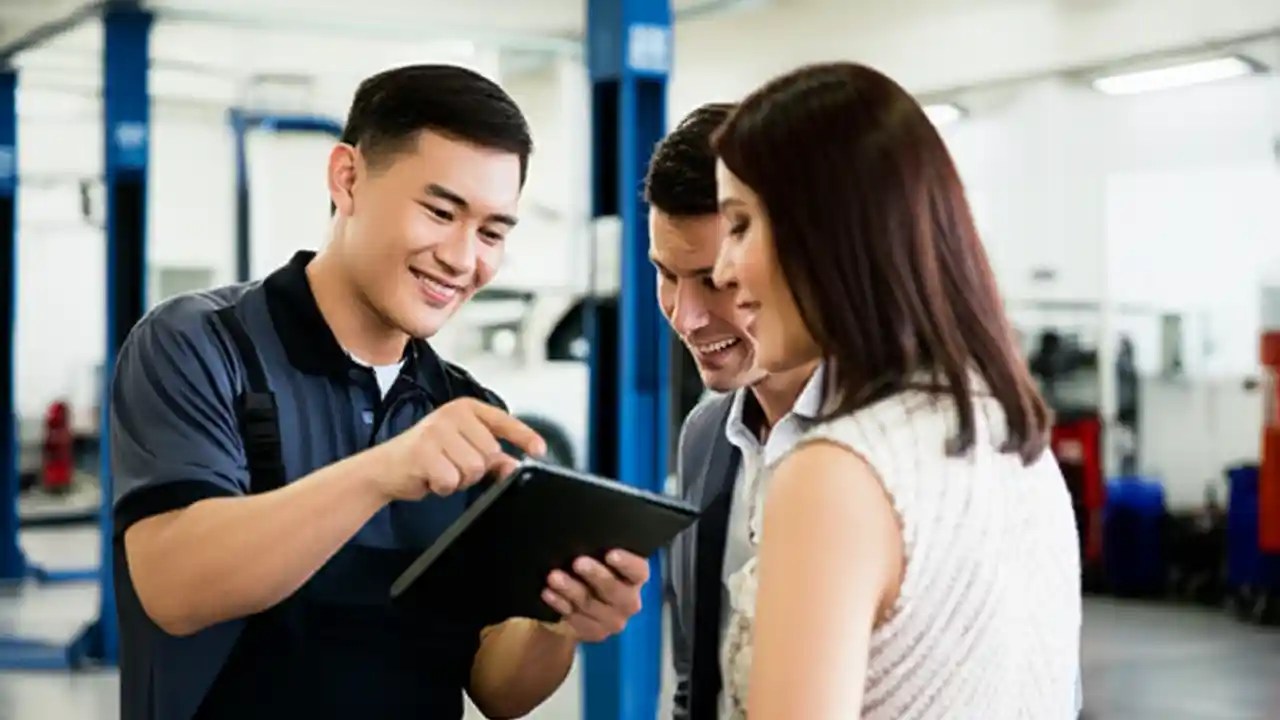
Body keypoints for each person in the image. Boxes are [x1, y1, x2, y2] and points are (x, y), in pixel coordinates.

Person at [110, 64, 648, 720]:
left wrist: (558, 620)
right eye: (440, 211)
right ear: (348, 179)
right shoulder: (197, 344)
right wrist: (384, 472)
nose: (461, 256)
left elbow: (498, 688)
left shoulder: (466, 412)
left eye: (492, 232)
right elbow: (173, 584)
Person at [709, 62, 1083, 718]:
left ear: (821, 228)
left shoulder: (838, 475)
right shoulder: (1015, 442)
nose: (722, 268)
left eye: (739, 225)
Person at [644, 102, 821, 719]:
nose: (686, 318)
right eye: (666, 275)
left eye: (714, 279)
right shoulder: (705, 436)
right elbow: (699, 684)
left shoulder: (888, 452)